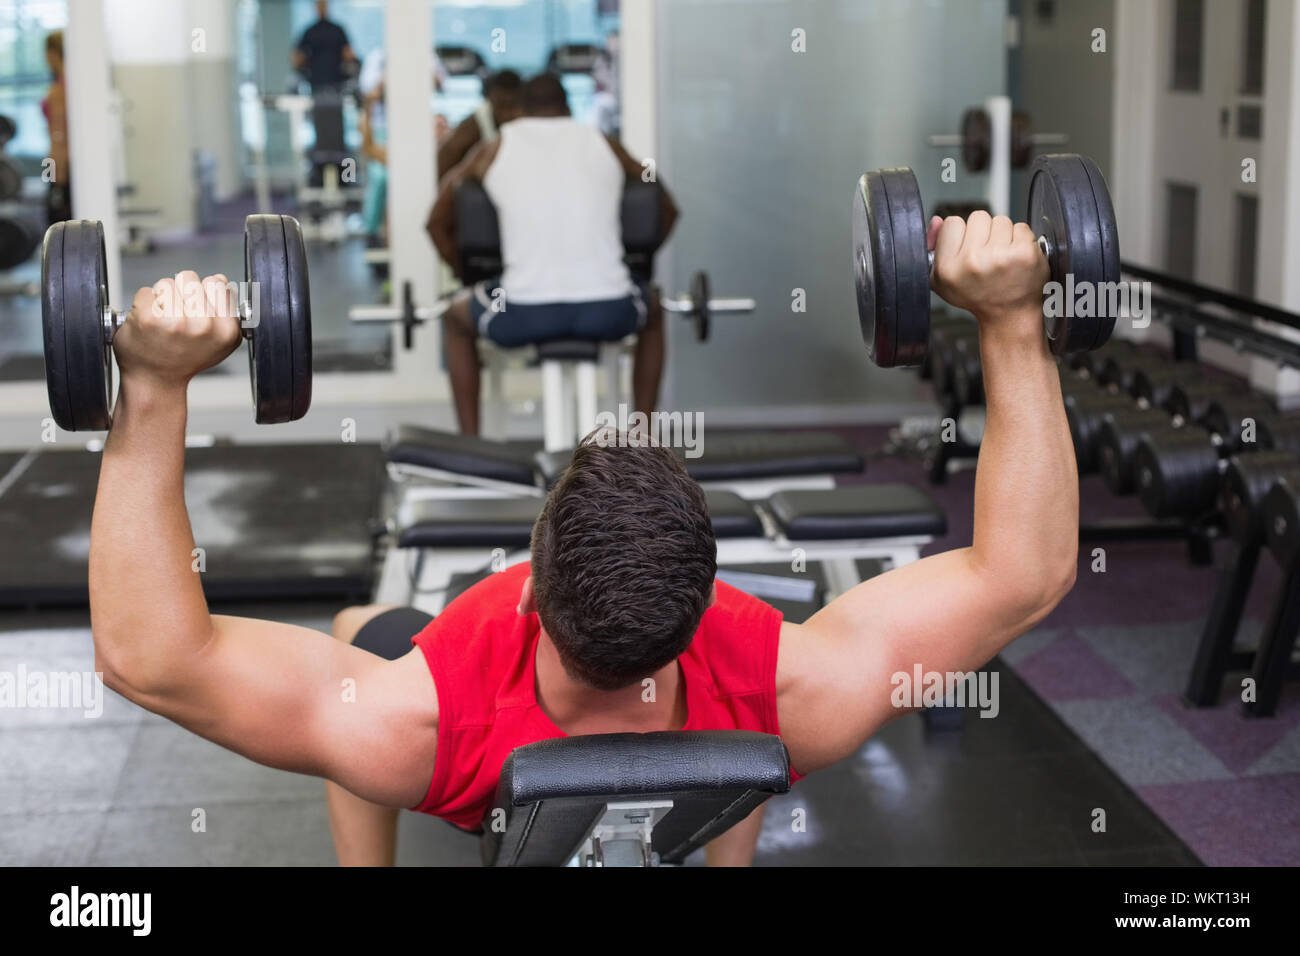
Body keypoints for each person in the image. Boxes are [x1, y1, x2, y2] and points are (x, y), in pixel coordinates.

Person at [86, 207, 1076, 867]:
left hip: (449, 711)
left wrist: (156, 383)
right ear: (713, 598)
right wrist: (1012, 317)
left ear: (520, 584)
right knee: (749, 740)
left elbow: (153, 658)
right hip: (723, 717)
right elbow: (1020, 574)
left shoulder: (410, 722)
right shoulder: (785, 682)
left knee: (366, 645)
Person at [427, 73, 677, 435]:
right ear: (568, 108)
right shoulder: (603, 141)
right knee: (654, 310)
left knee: (453, 317)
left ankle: (471, 444)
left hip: (522, 313)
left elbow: (435, 221)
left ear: (520, 110)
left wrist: (467, 277)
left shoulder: (495, 146)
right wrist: (637, 263)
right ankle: (643, 439)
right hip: (609, 310)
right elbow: (666, 205)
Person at [436, 69, 522, 178]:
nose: (506, 113)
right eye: (501, 105)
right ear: (490, 100)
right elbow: (443, 160)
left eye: (512, 105)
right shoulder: (472, 127)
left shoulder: (527, 123)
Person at [291, 0, 356, 93]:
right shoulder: (310, 31)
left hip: (336, 80)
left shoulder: (337, 30)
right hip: (316, 80)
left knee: (334, 104)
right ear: (316, 7)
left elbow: (348, 54)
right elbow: (298, 58)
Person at [42, 30, 71, 224]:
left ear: (53, 53)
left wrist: (55, 179)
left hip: (59, 165)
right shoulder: (73, 82)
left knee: (57, 225)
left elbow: (58, 136)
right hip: (68, 163)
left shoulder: (59, 89)